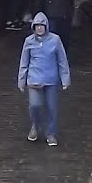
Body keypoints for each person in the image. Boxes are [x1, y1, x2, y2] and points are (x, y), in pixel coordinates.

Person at [16, 12, 70, 147]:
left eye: (42, 25)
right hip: (34, 79)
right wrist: (21, 80)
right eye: (37, 26)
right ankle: (36, 125)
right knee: (35, 105)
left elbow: (62, 60)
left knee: (52, 108)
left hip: (50, 80)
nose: (39, 28)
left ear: (46, 26)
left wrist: (65, 79)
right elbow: (24, 62)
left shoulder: (55, 40)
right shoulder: (29, 41)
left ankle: (50, 133)